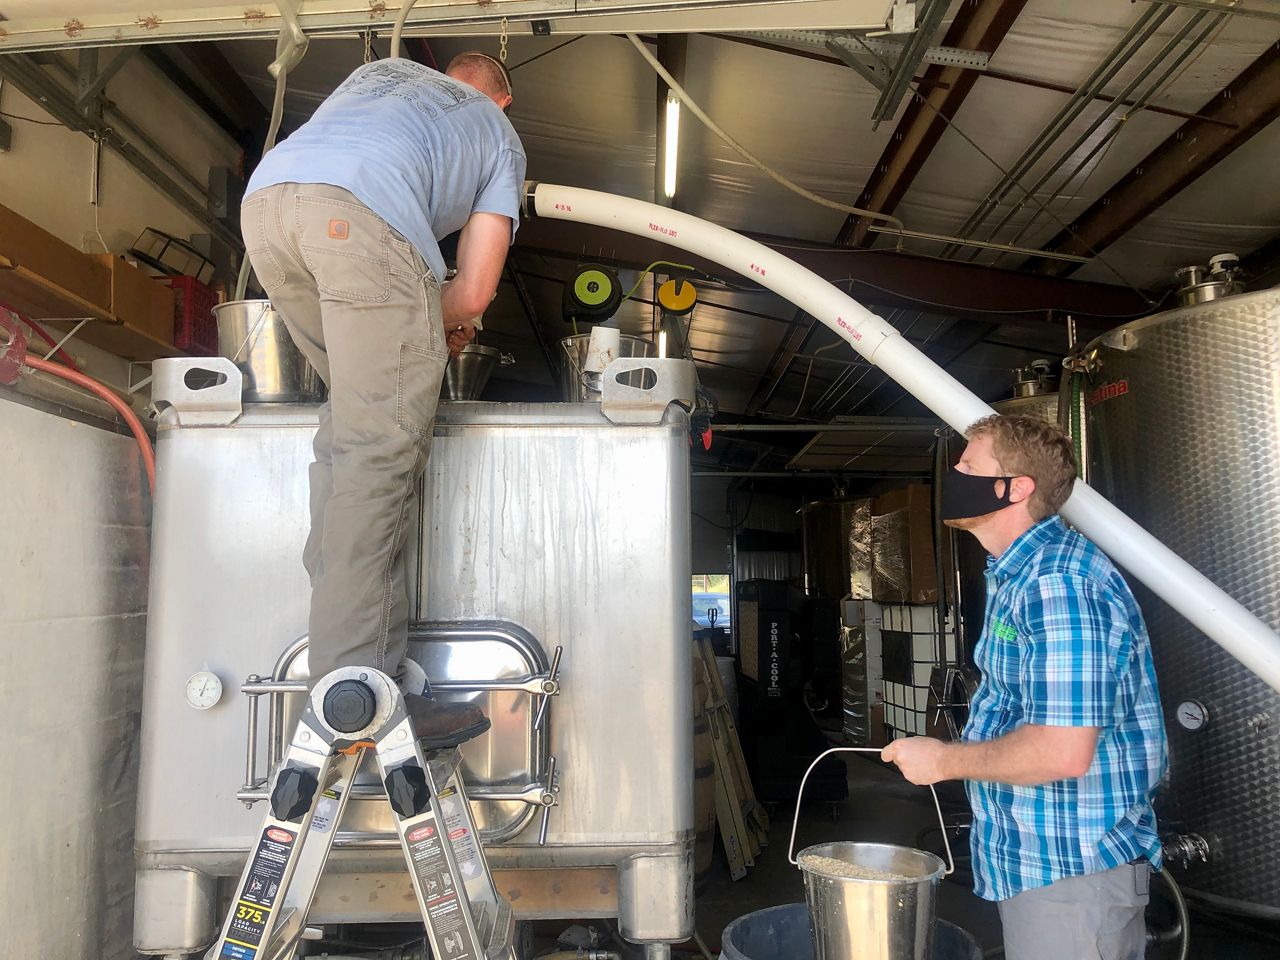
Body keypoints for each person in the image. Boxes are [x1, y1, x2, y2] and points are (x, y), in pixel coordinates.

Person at [239, 51, 526, 747]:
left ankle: (353, 649)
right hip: (362, 221)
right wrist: (444, 324)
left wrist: (415, 326)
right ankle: (355, 693)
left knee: (348, 434)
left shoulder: (380, 74)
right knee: (377, 455)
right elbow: (474, 291)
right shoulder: (496, 135)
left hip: (268, 208)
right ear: (501, 102)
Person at [882, 414, 1167, 960]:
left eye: (968, 465)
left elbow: (1061, 750)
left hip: (1073, 872)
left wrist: (944, 761)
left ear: (1016, 488)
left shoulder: (1058, 584)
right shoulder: (1020, 573)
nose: (953, 474)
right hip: (1043, 866)